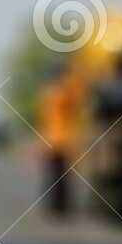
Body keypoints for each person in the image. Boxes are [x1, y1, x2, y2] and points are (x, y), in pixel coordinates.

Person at [37, 69, 86, 217]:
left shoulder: (47, 93)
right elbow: (77, 98)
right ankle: (60, 205)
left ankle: (54, 205)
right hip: (61, 140)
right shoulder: (61, 93)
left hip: (50, 138)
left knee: (53, 174)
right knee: (62, 176)